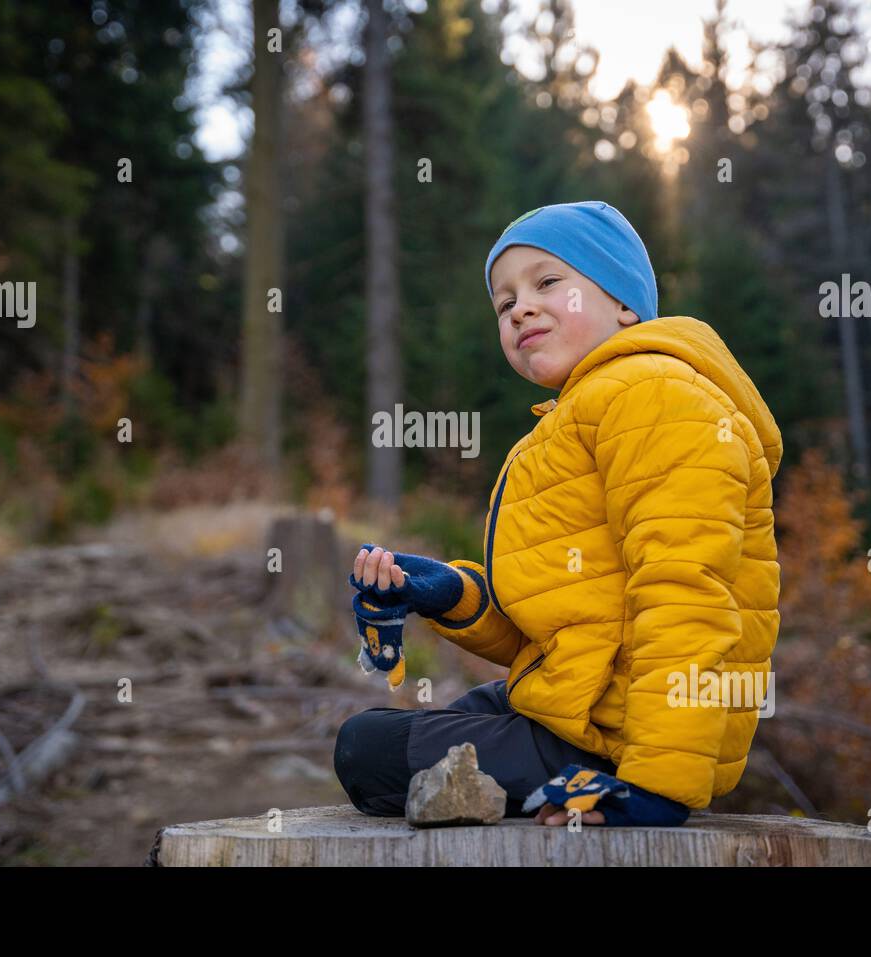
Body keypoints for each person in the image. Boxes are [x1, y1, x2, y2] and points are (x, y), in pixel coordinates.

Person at [334, 200, 784, 827]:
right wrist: (451, 595)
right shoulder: (580, 416)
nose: (520, 307)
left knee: (369, 751)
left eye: (548, 283)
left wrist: (657, 785)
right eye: (504, 302)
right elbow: (563, 624)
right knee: (393, 737)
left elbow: (686, 593)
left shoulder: (655, 394)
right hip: (575, 705)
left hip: (623, 737)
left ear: (623, 305)